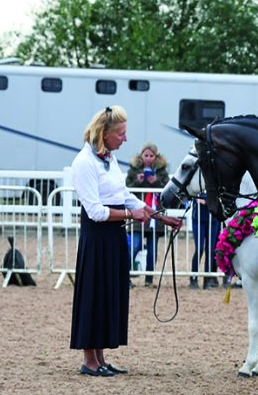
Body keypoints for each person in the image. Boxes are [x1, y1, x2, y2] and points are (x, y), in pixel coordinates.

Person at [70, 106, 181, 376]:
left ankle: (100, 357)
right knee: (94, 295)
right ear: (104, 133)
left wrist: (159, 217)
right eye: (120, 134)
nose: (125, 139)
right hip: (97, 239)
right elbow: (95, 211)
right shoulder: (84, 163)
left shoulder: (108, 160)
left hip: (115, 235)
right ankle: (89, 360)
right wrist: (132, 214)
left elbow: (124, 195)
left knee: (109, 295)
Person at [125, 142, 169, 285]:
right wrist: (138, 182)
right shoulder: (133, 171)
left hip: (155, 215)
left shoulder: (162, 172)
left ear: (156, 157)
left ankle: (149, 279)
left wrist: (156, 182)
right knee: (135, 245)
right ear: (141, 155)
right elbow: (126, 190)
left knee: (152, 249)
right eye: (146, 155)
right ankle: (125, 276)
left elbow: (167, 190)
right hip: (137, 214)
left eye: (151, 155)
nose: (149, 158)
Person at [190, 192, 222, 289]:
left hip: (213, 219)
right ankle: (193, 278)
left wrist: (207, 200)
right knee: (199, 248)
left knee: (210, 250)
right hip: (198, 219)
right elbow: (195, 195)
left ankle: (207, 279)